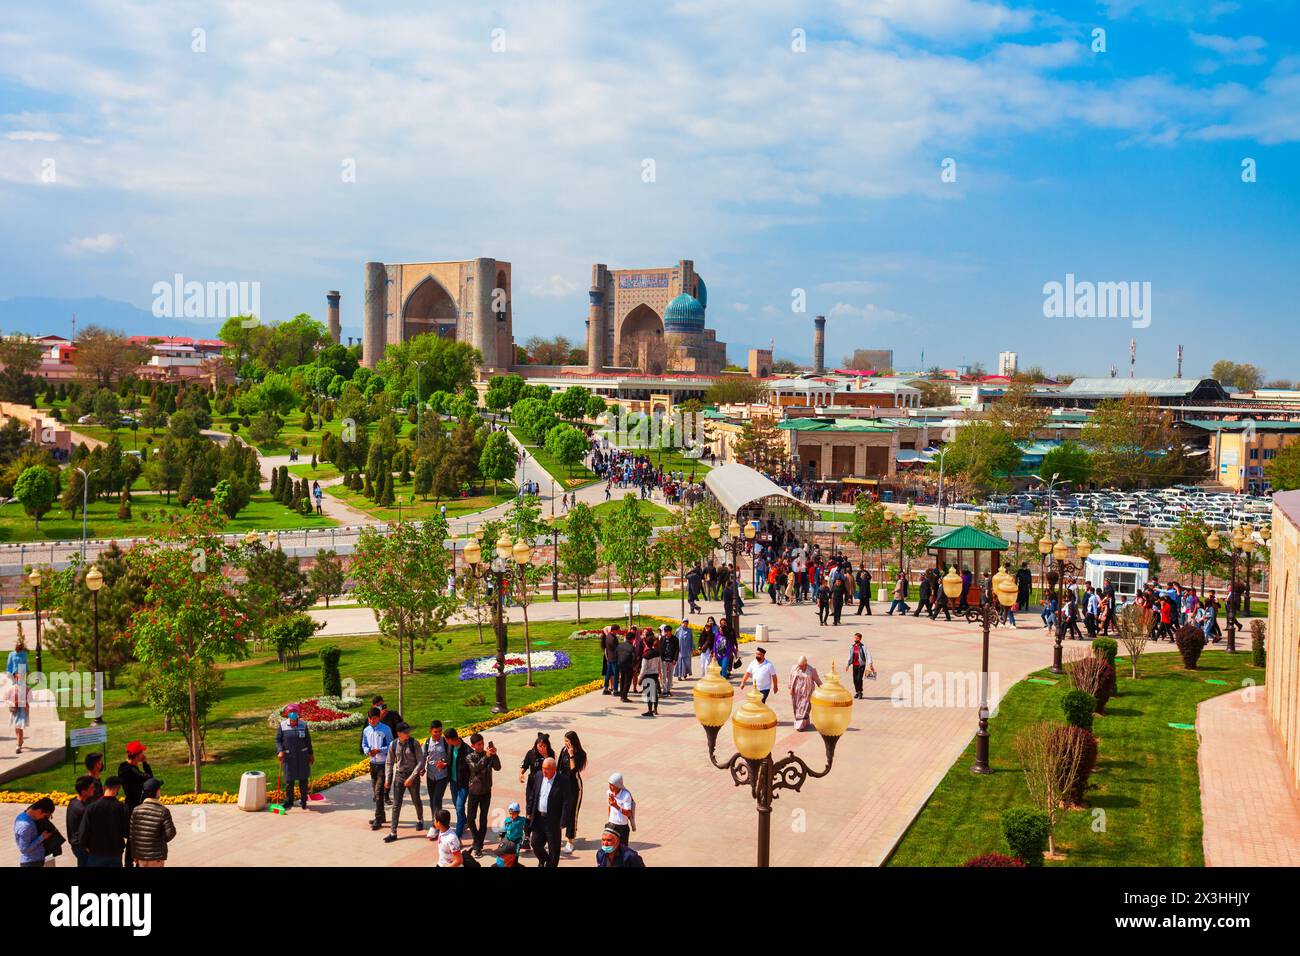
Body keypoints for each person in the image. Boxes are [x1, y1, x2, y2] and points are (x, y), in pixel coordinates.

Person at [383, 722, 427, 840]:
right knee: (396, 804)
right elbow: (389, 762)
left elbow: (420, 762)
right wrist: (388, 779)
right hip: (399, 776)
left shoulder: (414, 743)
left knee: (416, 799)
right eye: (405, 732)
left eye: (409, 731)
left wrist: (412, 778)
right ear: (399, 733)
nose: (408, 734)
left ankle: (420, 819)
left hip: (412, 776)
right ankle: (393, 832)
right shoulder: (393, 745)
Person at [527, 756, 570, 867]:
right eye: (543, 768)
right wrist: (529, 811)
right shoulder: (538, 776)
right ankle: (545, 860)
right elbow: (533, 795)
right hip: (538, 818)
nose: (544, 771)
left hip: (553, 821)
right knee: (535, 843)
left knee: (554, 849)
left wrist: (563, 821)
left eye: (546, 769)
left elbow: (566, 802)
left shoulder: (563, 781)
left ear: (554, 769)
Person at [77, 776, 129, 867]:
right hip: (115, 854)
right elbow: (126, 832)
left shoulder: (91, 808)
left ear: (104, 787)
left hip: (96, 853)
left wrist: (86, 846)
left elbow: (83, 832)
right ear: (118, 788)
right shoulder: (122, 807)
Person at [463, 733, 501, 856]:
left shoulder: (488, 754)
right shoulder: (469, 757)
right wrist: (487, 757)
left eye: (483, 743)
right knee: (470, 819)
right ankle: (477, 839)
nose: (482, 746)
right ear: (473, 745)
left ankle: (478, 846)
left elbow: (498, 767)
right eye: (479, 744)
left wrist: (494, 755)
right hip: (474, 791)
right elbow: (475, 768)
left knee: (483, 819)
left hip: (486, 792)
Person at [128, 778, 176, 867]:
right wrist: (159, 841)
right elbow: (171, 833)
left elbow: (132, 836)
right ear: (157, 792)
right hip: (156, 858)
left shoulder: (135, 810)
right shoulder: (163, 811)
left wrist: (134, 855)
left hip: (141, 857)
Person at [361, 707, 394, 831]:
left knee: (379, 793)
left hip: (383, 764)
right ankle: (382, 815)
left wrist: (380, 750)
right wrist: (367, 751)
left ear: (378, 717)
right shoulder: (366, 730)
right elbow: (364, 744)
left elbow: (391, 745)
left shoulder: (386, 729)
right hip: (372, 764)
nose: (371, 721)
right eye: (369, 718)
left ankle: (378, 818)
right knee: (375, 792)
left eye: (374, 718)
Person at [275, 707, 314, 812]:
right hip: (288, 757)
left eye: (295, 712)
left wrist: (311, 754)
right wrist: (280, 751)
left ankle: (304, 800)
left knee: (303, 780)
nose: (293, 714)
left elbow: (308, 741)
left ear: (298, 713)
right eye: (291, 712)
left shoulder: (303, 725)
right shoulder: (283, 726)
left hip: (302, 756)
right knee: (289, 780)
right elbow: (278, 740)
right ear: (287, 714)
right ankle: (289, 801)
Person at [519, 732, 554, 844]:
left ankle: (542, 834)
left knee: (542, 809)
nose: (541, 748)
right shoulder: (531, 753)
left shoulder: (551, 754)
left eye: (544, 746)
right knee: (529, 809)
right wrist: (521, 773)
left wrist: (545, 756)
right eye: (540, 746)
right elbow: (524, 766)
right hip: (532, 785)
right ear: (536, 745)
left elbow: (553, 768)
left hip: (545, 785)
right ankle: (527, 835)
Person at [558, 731, 586, 853]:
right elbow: (559, 767)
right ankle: (557, 838)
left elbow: (574, 770)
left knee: (571, 814)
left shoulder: (580, 754)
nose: (566, 744)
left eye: (568, 742)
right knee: (559, 812)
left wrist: (571, 756)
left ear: (573, 742)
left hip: (574, 788)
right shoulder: (563, 750)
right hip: (562, 786)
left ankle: (570, 841)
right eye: (565, 741)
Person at [444, 727, 471, 839]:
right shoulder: (450, 746)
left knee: (459, 807)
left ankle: (457, 835)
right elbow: (449, 759)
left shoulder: (467, 751)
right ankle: (465, 821)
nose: (445, 741)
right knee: (457, 806)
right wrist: (444, 763)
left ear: (450, 739)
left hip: (463, 785)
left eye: (446, 739)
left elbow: (472, 769)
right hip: (453, 782)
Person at [66, 775, 98, 867]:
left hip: (77, 844)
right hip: (81, 846)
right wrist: (86, 847)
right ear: (84, 792)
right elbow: (84, 830)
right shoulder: (82, 809)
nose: (94, 789)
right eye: (92, 787)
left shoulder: (73, 801)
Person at [14, 797, 55, 867]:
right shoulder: (25, 826)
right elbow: (24, 850)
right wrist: (42, 837)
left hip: (34, 861)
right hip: (31, 863)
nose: (45, 819)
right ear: (39, 811)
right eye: (45, 816)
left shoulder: (24, 816)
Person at [421, 720, 450, 814]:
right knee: (432, 799)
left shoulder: (445, 742)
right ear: (430, 731)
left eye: (440, 731)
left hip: (442, 776)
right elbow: (423, 757)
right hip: (430, 776)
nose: (438, 734)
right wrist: (422, 768)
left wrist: (444, 763)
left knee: (437, 799)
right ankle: (436, 819)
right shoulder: (427, 743)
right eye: (435, 732)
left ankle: (438, 822)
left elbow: (451, 757)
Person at [117, 741, 154, 812]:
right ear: (137, 756)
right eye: (142, 752)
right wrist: (145, 763)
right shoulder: (132, 771)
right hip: (135, 807)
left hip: (130, 803)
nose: (143, 754)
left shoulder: (123, 767)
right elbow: (151, 779)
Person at [789, 655, 822, 731]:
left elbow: (818, 681)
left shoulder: (811, 670)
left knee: (803, 709)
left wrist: (825, 689)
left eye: (802, 666)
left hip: (807, 694)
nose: (800, 667)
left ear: (806, 664)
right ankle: (805, 723)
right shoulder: (794, 668)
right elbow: (791, 678)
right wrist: (790, 688)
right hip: (796, 694)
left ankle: (800, 726)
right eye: (799, 665)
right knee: (797, 709)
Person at [606, 771, 635, 846]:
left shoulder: (626, 795)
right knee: (609, 848)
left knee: (622, 849)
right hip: (611, 825)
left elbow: (628, 812)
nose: (610, 787)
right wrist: (609, 819)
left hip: (622, 827)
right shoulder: (609, 792)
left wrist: (616, 806)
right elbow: (609, 806)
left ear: (618, 785)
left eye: (612, 785)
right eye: (609, 784)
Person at [846, 633, 875, 700]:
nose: (855, 639)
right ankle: (857, 691)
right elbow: (850, 656)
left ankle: (860, 692)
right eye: (855, 638)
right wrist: (848, 665)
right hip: (854, 665)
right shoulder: (852, 646)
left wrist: (870, 664)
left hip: (861, 665)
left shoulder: (863, 646)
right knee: (855, 680)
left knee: (859, 679)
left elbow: (868, 655)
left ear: (860, 639)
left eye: (857, 638)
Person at [6, 671, 29, 754]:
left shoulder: (26, 688)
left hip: (22, 710)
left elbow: (30, 699)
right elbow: (6, 699)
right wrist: (12, 703)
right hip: (15, 711)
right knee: (16, 728)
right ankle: (20, 741)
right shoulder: (11, 689)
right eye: (18, 678)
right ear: (15, 678)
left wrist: (24, 703)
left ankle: (18, 746)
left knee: (20, 728)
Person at [640, 635, 663, 717]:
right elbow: (660, 666)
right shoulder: (657, 653)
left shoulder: (645, 655)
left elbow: (643, 669)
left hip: (647, 676)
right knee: (655, 692)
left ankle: (650, 710)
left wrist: (640, 678)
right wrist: (660, 674)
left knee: (649, 694)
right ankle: (655, 709)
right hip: (655, 675)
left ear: (646, 644)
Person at [601, 624, 622, 694]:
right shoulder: (613, 638)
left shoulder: (608, 636)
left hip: (609, 658)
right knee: (616, 675)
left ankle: (605, 688)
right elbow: (617, 648)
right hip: (614, 658)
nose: (618, 631)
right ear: (614, 630)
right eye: (618, 630)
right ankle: (615, 690)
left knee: (608, 674)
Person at [615, 632, 637, 702]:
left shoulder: (620, 645)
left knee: (622, 680)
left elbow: (616, 654)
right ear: (633, 639)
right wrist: (634, 666)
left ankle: (622, 695)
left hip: (620, 665)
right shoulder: (631, 647)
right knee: (627, 681)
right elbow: (634, 658)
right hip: (628, 666)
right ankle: (624, 697)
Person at [659, 624, 678, 697]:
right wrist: (661, 659)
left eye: (667, 631)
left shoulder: (675, 639)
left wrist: (675, 659)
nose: (666, 633)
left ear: (670, 632)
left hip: (671, 660)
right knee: (663, 675)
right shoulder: (662, 639)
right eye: (665, 631)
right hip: (664, 660)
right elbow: (660, 649)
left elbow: (677, 650)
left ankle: (668, 690)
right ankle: (664, 690)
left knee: (670, 675)